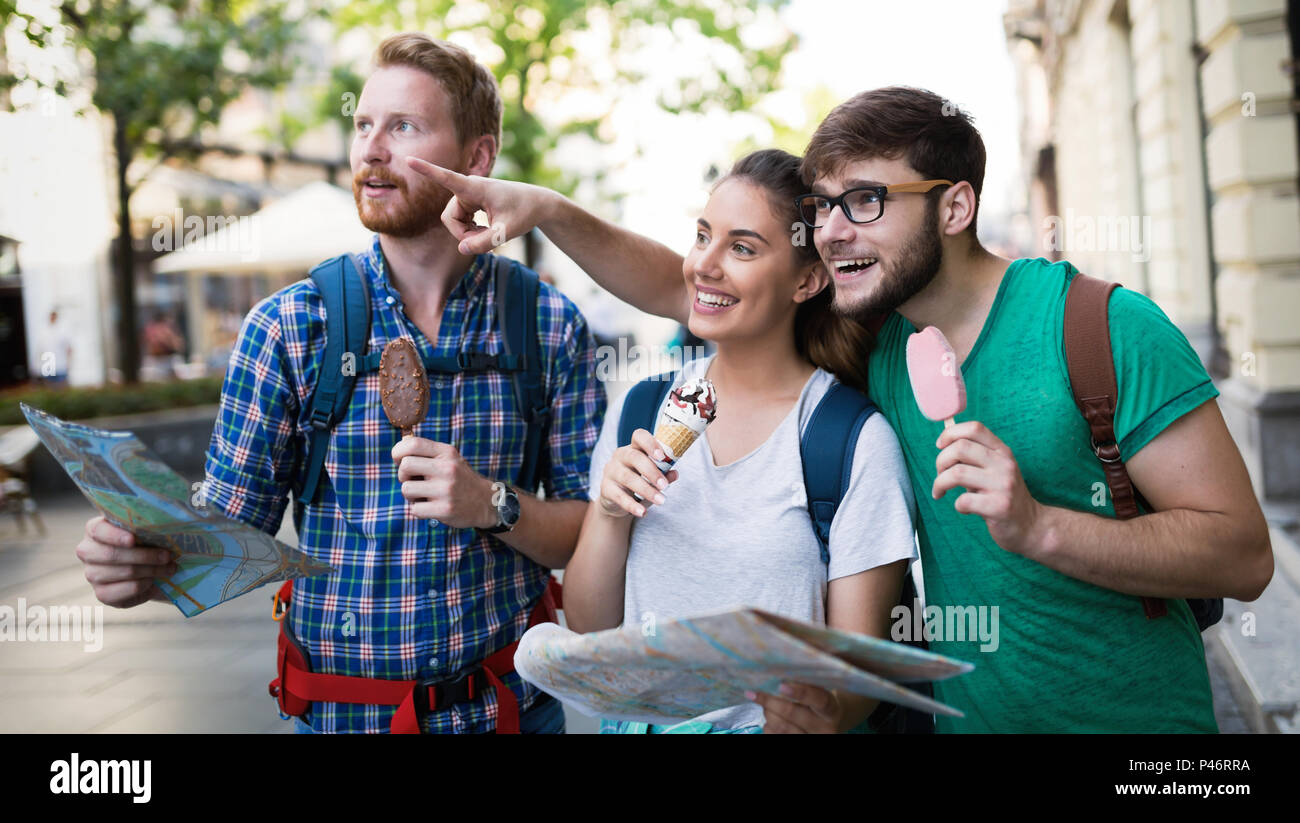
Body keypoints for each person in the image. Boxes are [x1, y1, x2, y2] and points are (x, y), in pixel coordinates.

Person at [411, 87, 1273, 733]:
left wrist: (1042, 525)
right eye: (824, 208)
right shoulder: (886, 347)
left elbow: (1245, 557)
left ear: (956, 206)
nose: (832, 228)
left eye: (864, 202)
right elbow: (700, 283)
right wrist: (548, 209)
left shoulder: (1102, 327)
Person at [73, 33, 605, 734]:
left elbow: (589, 536)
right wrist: (137, 564)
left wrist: (489, 502)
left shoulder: (547, 324)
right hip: (345, 718)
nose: (370, 151)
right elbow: (230, 536)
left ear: (476, 158)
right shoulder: (289, 327)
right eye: (363, 126)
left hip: (512, 712)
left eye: (403, 126)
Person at [561, 149, 917, 733]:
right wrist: (608, 512)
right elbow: (591, 631)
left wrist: (811, 714)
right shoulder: (642, 409)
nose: (705, 264)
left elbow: (854, 681)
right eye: (703, 236)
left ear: (807, 279)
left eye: (743, 247)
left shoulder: (851, 442)